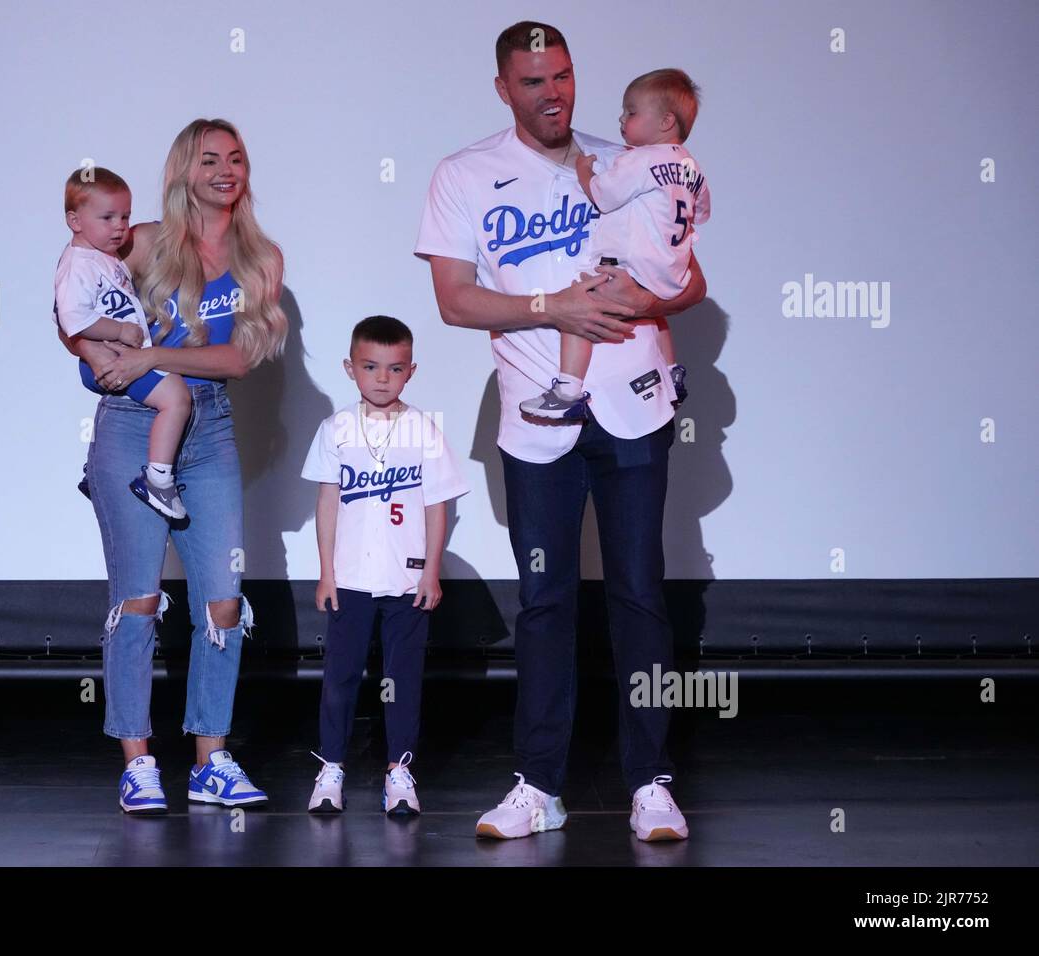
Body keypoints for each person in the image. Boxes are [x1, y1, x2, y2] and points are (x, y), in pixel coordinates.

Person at [414, 22, 706, 841]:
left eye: (565, 77)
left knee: (641, 595)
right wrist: (556, 308)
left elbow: (692, 277)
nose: (555, 94)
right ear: (504, 88)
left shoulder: (629, 162)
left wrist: (634, 301)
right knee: (544, 602)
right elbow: (455, 300)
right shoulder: (464, 174)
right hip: (538, 418)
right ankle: (538, 785)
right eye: (535, 81)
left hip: (634, 406)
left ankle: (650, 780)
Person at [57, 119, 288, 814]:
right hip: (133, 423)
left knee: (222, 602)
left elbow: (239, 360)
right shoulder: (146, 239)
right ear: (185, 170)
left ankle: (211, 761)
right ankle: (137, 762)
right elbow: (73, 304)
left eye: (235, 158)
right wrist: (102, 360)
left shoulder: (262, 258)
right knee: (139, 600)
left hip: (208, 427)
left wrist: (153, 356)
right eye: (208, 159)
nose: (224, 170)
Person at [300, 316, 470, 816]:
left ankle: (400, 771)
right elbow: (327, 501)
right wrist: (327, 571)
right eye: (370, 367)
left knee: (402, 679)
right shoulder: (336, 429)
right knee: (341, 677)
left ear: (410, 371)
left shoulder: (422, 430)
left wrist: (431, 571)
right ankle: (331, 768)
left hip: (405, 578)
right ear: (349, 368)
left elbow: (439, 505)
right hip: (350, 578)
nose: (381, 378)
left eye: (394, 369)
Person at [519, 68, 710, 420]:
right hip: (671, 271)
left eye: (632, 112)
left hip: (630, 266)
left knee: (577, 308)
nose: (622, 119)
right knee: (658, 318)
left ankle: (568, 390)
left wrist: (585, 173)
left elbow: (605, 196)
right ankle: (671, 371)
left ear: (666, 121)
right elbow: (702, 211)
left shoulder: (640, 158)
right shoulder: (692, 167)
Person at [54, 167, 190, 520]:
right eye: (108, 217)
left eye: (125, 216)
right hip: (110, 356)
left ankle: (94, 472)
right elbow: (71, 318)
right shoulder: (77, 265)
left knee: (159, 404)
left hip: (121, 353)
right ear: (75, 220)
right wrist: (118, 332)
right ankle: (158, 479)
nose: (120, 226)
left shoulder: (104, 257)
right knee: (176, 398)